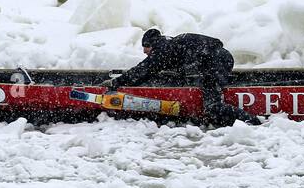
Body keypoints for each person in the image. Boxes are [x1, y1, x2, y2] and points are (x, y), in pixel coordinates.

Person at [107, 29, 261, 125]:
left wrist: (117, 82)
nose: (144, 52)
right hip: (219, 57)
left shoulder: (162, 51)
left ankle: (252, 121)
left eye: (145, 47)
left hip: (216, 62)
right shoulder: (170, 44)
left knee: (212, 107)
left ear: (152, 45)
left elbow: (142, 70)